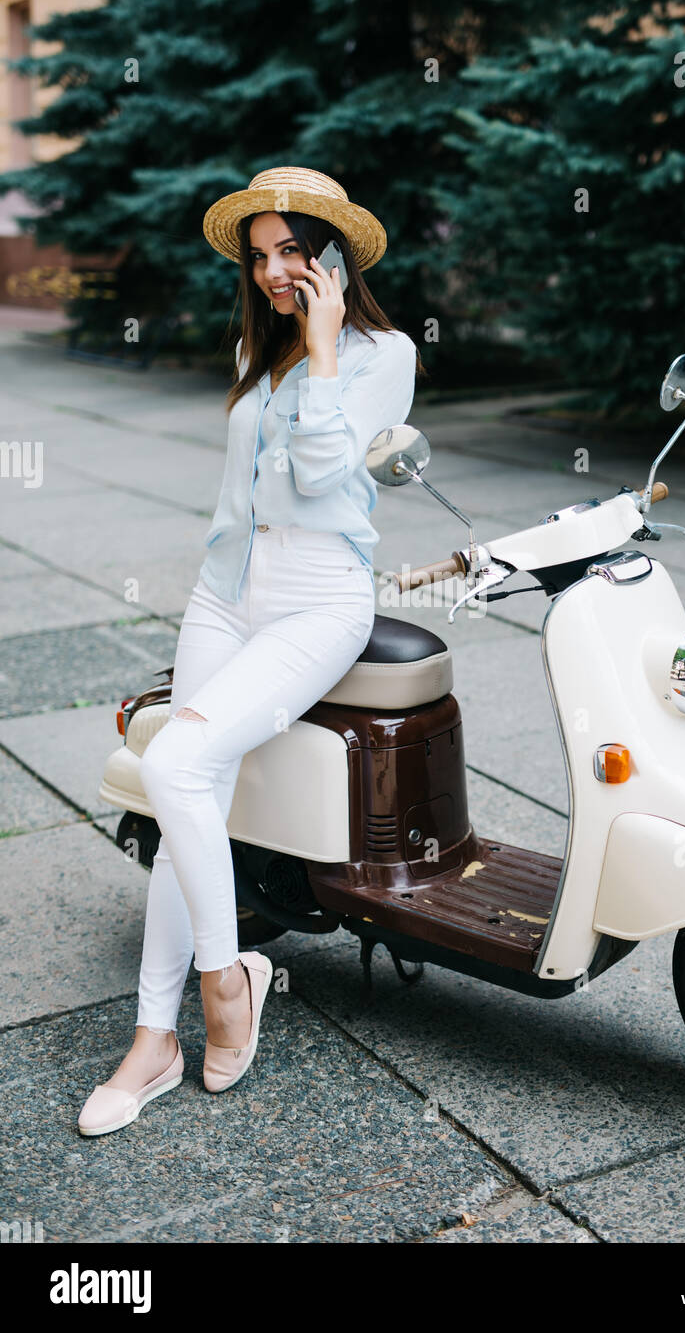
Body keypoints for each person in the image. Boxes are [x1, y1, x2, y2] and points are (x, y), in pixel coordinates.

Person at [78, 166, 422, 1136]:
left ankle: (224, 981)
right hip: (227, 596)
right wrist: (291, 349)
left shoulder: (381, 354)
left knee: (180, 758)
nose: (274, 271)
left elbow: (325, 480)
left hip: (318, 603)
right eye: (259, 255)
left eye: (290, 252)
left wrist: (320, 354)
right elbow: (243, 493)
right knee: (187, 785)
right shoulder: (254, 345)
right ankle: (155, 1039)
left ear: (333, 255)